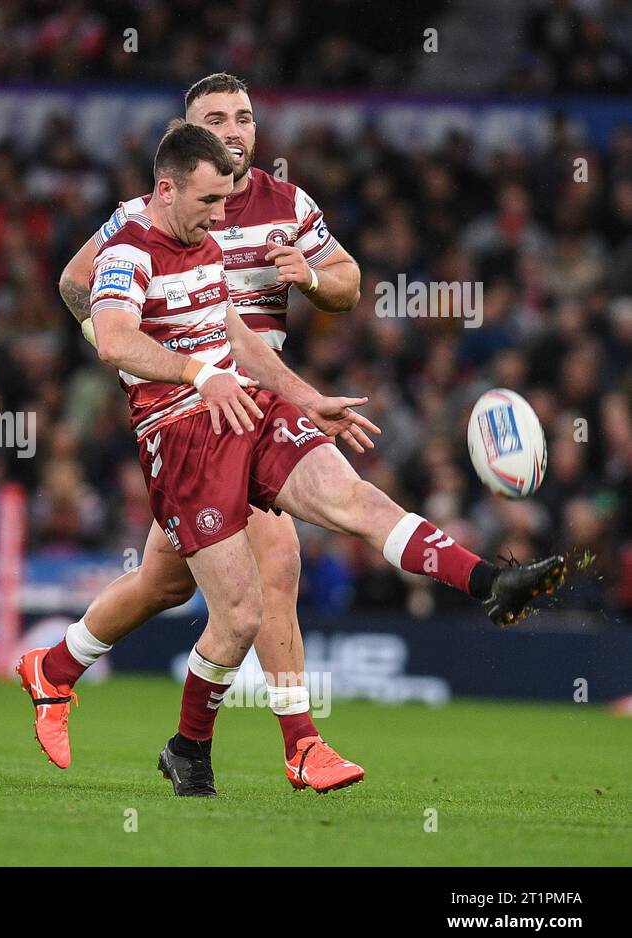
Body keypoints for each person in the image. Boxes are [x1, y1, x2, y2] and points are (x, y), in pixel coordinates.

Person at [33, 120, 563, 798]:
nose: (221, 215)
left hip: (246, 409)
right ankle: (181, 743)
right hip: (182, 439)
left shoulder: (204, 242)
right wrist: (200, 375)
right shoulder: (128, 250)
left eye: (226, 200)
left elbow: (238, 334)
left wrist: (305, 398)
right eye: (207, 202)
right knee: (234, 613)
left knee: (352, 499)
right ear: (165, 189)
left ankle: (488, 582)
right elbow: (111, 341)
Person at [21, 73, 370, 791]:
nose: (234, 130)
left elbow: (349, 284)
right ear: (190, 136)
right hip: (189, 408)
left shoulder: (287, 204)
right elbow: (72, 282)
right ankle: (300, 742)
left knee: (162, 582)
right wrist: (120, 350)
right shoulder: (151, 209)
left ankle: (52, 666)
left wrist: (308, 277)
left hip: (258, 399)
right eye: (216, 119)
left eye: (243, 117)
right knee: (275, 560)